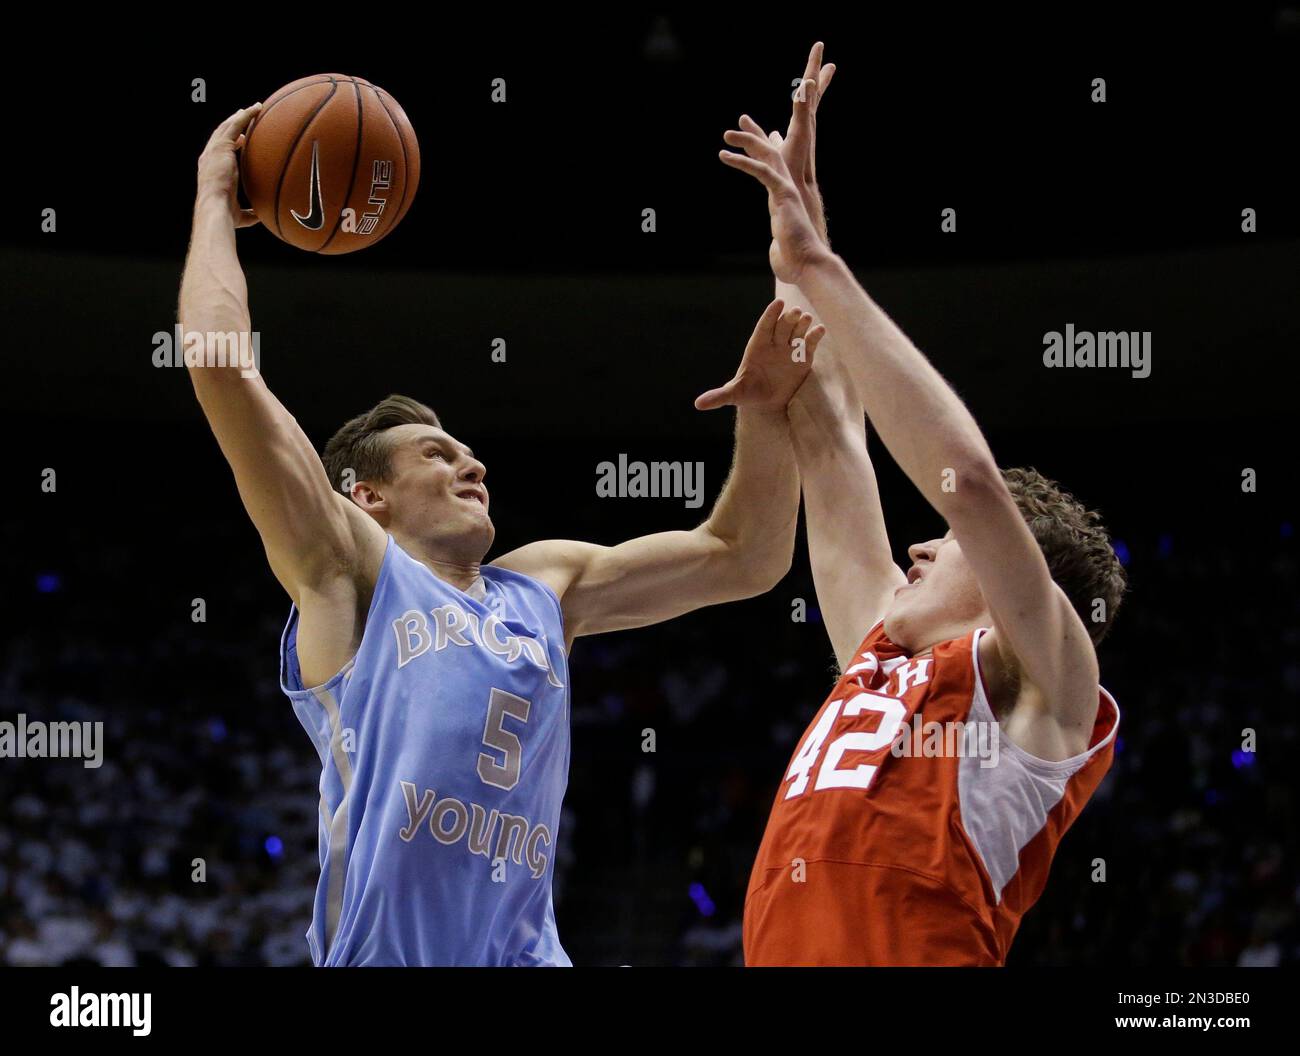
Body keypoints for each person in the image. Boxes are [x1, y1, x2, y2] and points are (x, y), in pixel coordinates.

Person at [178, 105, 823, 966]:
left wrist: (770, 410)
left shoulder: (543, 586)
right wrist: (216, 193)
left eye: (473, 454)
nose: (472, 466)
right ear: (365, 496)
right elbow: (220, 363)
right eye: (438, 455)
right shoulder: (347, 570)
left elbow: (746, 558)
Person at [704, 43, 1127, 966]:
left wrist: (820, 266)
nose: (920, 553)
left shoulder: (1050, 685)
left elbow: (968, 485)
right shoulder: (881, 654)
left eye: (944, 544)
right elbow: (828, 434)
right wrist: (795, 240)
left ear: (1028, 578)